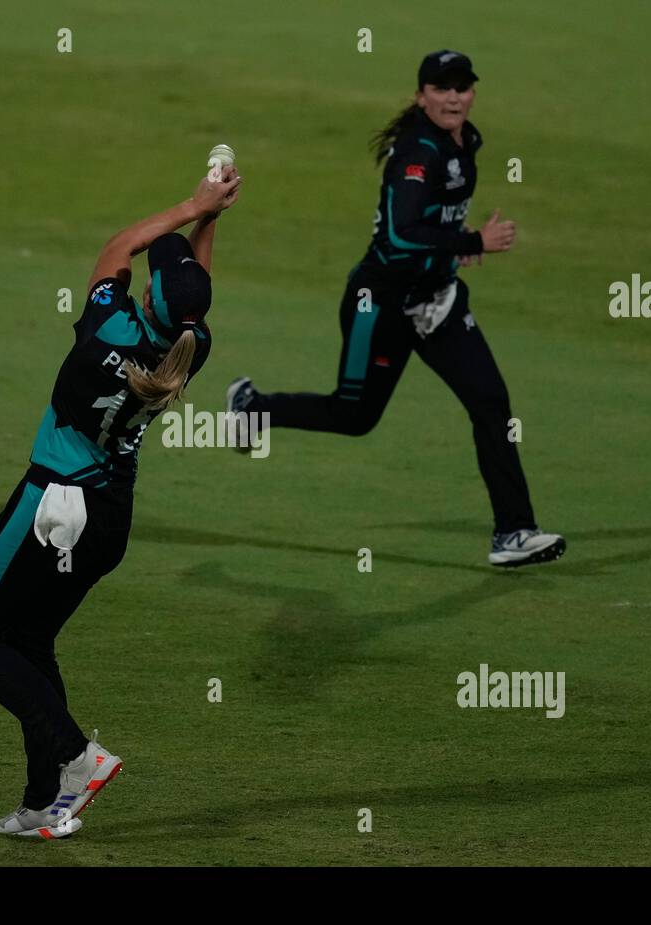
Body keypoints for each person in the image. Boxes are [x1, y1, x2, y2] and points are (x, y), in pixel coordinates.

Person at [0, 166, 242, 838]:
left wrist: (195, 204)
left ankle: (79, 757)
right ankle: (42, 798)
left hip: (52, 504)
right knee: (28, 641)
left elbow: (120, 243)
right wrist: (213, 219)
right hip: (107, 522)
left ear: (148, 294)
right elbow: (191, 290)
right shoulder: (191, 347)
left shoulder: (108, 329)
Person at [228, 51, 564, 567]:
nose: (454, 97)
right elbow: (403, 234)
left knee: (491, 403)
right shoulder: (416, 153)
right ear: (421, 95)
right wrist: (473, 239)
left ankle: (514, 532)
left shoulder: (465, 140)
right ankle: (254, 408)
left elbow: (430, 225)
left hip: (440, 304)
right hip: (378, 306)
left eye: (462, 87)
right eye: (442, 87)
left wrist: (454, 246)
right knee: (354, 415)